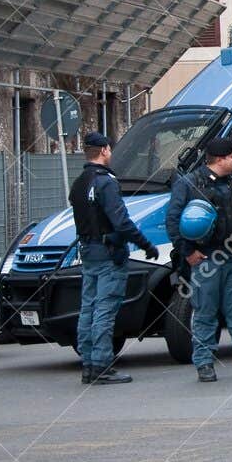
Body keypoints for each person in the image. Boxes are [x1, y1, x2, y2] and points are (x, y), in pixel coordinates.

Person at [165, 137, 232, 383]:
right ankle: (205, 363)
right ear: (220, 159)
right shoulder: (189, 185)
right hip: (206, 259)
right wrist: (187, 252)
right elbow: (173, 221)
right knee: (205, 312)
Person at [71, 133, 160, 386]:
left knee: (88, 308)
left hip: (88, 250)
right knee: (105, 310)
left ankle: (88, 365)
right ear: (105, 150)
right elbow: (121, 221)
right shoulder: (106, 182)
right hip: (109, 252)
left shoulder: (79, 182)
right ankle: (101, 365)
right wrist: (146, 244)